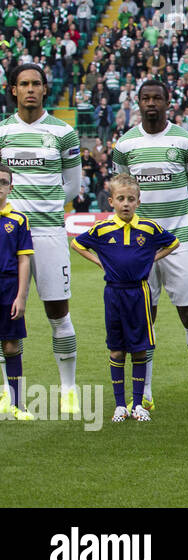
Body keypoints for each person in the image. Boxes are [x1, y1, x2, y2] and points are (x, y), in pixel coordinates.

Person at [110, 78, 188, 414]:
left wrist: (179, 222)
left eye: (157, 98)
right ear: (138, 101)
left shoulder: (185, 141)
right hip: (139, 249)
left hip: (180, 244)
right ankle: (144, 393)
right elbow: (123, 190)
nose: (151, 104)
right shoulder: (125, 144)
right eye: (145, 98)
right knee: (145, 319)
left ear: (167, 101)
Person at [0, 63, 82, 416]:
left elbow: (73, 186)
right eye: (23, 84)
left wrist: (44, 207)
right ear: (13, 90)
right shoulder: (2, 131)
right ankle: (8, 392)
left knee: (57, 311)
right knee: (4, 316)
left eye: (36, 83)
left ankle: (68, 388)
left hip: (48, 233)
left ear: (45, 89)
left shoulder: (63, 132)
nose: (30, 89)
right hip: (7, 236)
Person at [72, 174, 179, 423]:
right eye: (121, 199)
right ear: (111, 201)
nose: (126, 204)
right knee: (117, 349)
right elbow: (77, 244)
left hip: (139, 292)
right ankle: (120, 405)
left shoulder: (149, 228)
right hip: (113, 293)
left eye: (131, 199)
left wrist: (151, 258)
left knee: (139, 349)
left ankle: (139, 404)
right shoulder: (102, 229)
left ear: (138, 202)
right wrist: (100, 262)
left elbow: (173, 243)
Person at [0, 164, 33, 419]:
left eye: (3, 182)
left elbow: (24, 260)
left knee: (11, 346)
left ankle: (17, 404)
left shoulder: (19, 220)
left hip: (8, 288)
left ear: (11, 188)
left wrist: (21, 296)